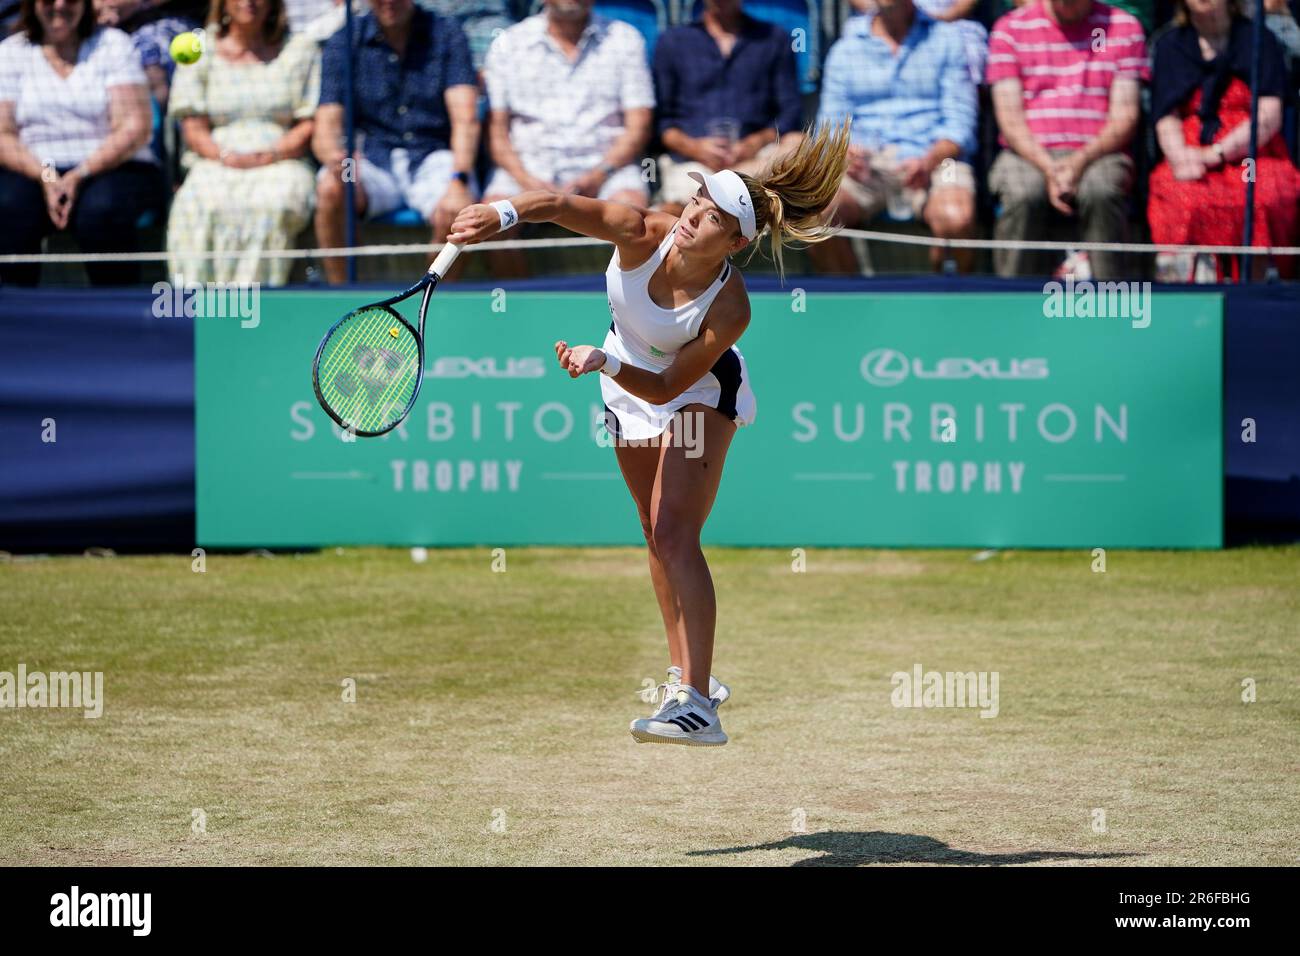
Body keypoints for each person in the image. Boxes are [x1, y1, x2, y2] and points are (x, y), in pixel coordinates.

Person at [446, 123, 851, 747]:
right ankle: (681, 677)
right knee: (650, 529)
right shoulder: (641, 231)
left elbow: (666, 389)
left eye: (714, 217)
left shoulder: (729, 306)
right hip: (622, 376)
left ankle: (699, 705)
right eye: (696, 201)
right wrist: (497, 213)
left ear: (736, 241)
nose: (694, 217)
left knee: (675, 531)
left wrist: (602, 362)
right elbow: (553, 205)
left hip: (693, 390)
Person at [480, 0, 654, 276]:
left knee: (635, 221)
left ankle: (622, 313)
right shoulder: (509, 44)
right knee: (492, 219)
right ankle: (518, 309)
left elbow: (639, 126)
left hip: (608, 167)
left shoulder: (625, 39)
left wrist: (598, 175)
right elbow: (497, 133)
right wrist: (528, 183)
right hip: (526, 167)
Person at [313, 0, 479, 284]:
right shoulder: (344, 40)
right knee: (331, 186)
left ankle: (432, 304)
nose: (388, 2)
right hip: (370, 158)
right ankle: (340, 295)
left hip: (433, 156)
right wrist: (336, 158)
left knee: (460, 211)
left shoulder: (446, 33)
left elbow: (466, 118)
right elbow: (325, 125)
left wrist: (458, 179)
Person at [0, 0, 164, 286]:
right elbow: (3, 134)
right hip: (34, 167)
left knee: (101, 210)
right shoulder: (11, 52)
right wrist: (47, 177)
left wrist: (78, 175)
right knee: (10, 206)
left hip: (110, 165)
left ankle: (116, 315)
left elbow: (135, 126)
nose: (60, 5)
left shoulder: (114, 45)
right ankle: (15, 317)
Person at [812, 0, 979, 273]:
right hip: (865, 168)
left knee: (956, 218)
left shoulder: (947, 40)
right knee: (812, 214)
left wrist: (929, 160)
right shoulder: (845, 50)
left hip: (937, 161)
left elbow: (960, 126)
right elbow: (829, 130)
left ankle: (945, 307)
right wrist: (845, 154)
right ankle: (854, 307)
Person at [986, 0, 1148, 279]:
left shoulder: (1124, 28)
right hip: (1026, 153)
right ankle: (1011, 301)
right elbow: (1010, 120)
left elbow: (1125, 117)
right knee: (1024, 192)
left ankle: (1109, 301)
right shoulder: (1009, 29)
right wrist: (1049, 167)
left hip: (1100, 152)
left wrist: (1079, 161)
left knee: (1101, 191)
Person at [166, 0, 319, 285]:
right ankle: (197, 307)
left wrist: (270, 155)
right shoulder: (200, 49)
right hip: (215, 160)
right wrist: (225, 156)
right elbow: (193, 126)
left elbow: (308, 122)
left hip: (283, 160)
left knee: (274, 204)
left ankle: (255, 306)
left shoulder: (300, 49)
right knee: (196, 205)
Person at [1148, 0, 1300, 281]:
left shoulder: (1259, 41)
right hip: (1187, 150)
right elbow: (1164, 115)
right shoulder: (1170, 45)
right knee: (1184, 196)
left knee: (1262, 195)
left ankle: (1255, 289)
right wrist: (1180, 156)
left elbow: (1269, 113)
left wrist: (1217, 153)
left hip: (1253, 151)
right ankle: (1189, 289)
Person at [651, 0, 803, 214]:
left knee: (798, 143)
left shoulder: (774, 39)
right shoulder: (673, 41)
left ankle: (717, 189)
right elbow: (661, 124)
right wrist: (695, 148)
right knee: (683, 197)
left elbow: (790, 114)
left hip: (758, 157)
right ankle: (728, 188)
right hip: (692, 160)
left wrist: (754, 142)